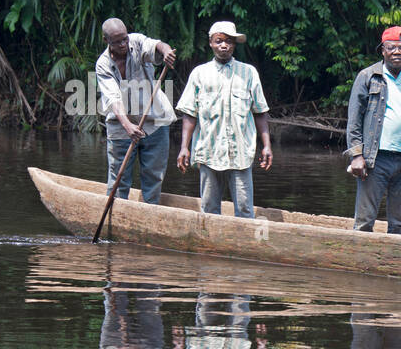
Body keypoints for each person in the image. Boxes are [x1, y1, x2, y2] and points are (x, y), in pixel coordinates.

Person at [175, 21, 272, 218]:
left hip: (241, 154)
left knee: (245, 209)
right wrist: (184, 147)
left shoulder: (248, 73)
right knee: (209, 210)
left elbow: (260, 112)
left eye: (229, 41)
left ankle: (244, 246)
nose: (224, 45)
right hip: (209, 152)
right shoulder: (199, 74)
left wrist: (267, 145)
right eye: (219, 41)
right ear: (211, 43)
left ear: (234, 45)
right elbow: (190, 114)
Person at [345, 26, 401, 235]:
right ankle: (361, 264)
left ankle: (396, 266)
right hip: (376, 160)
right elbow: (354, 120)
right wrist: (356, 155)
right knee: (365, 222)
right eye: (391, 47)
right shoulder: (368, 77)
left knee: (400, 225)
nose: (397, 52)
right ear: (382, 50)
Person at [95, 18, 177, 203]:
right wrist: (127, 126)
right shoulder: (103, 64)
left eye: (124, 38)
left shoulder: (137, 42)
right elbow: (113, 98)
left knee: (154, 177)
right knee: (119, 178)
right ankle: (115, 218)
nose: (123, 44)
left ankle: (149, 214)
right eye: (117, 41)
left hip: (155, 120)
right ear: (106, 40)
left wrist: (166, 52)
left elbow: (155, 45)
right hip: (121, 126)